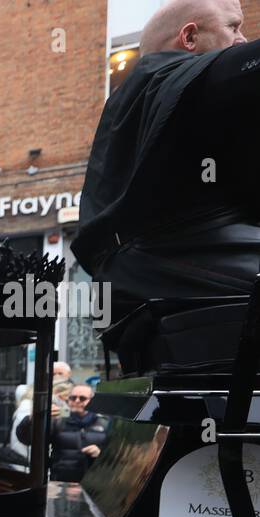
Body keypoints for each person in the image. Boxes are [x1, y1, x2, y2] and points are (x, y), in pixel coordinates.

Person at [73, 0, 257, 310]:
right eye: (233, 27)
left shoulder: (131, 108)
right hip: (201, 287)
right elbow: (236, 69)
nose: (243, 39)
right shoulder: (172, 79)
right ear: (189, 38)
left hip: (143, 296)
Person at [49, 384, 109, 482]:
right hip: (62, 480)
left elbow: (115, 454)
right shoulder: (58, 420)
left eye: (82, 398)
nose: (76, 401)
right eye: (73, 398)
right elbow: (29, 439)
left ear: (92, 401)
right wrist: (35, 418)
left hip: (94, 481)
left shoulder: (104, 422)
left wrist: (100, 453)